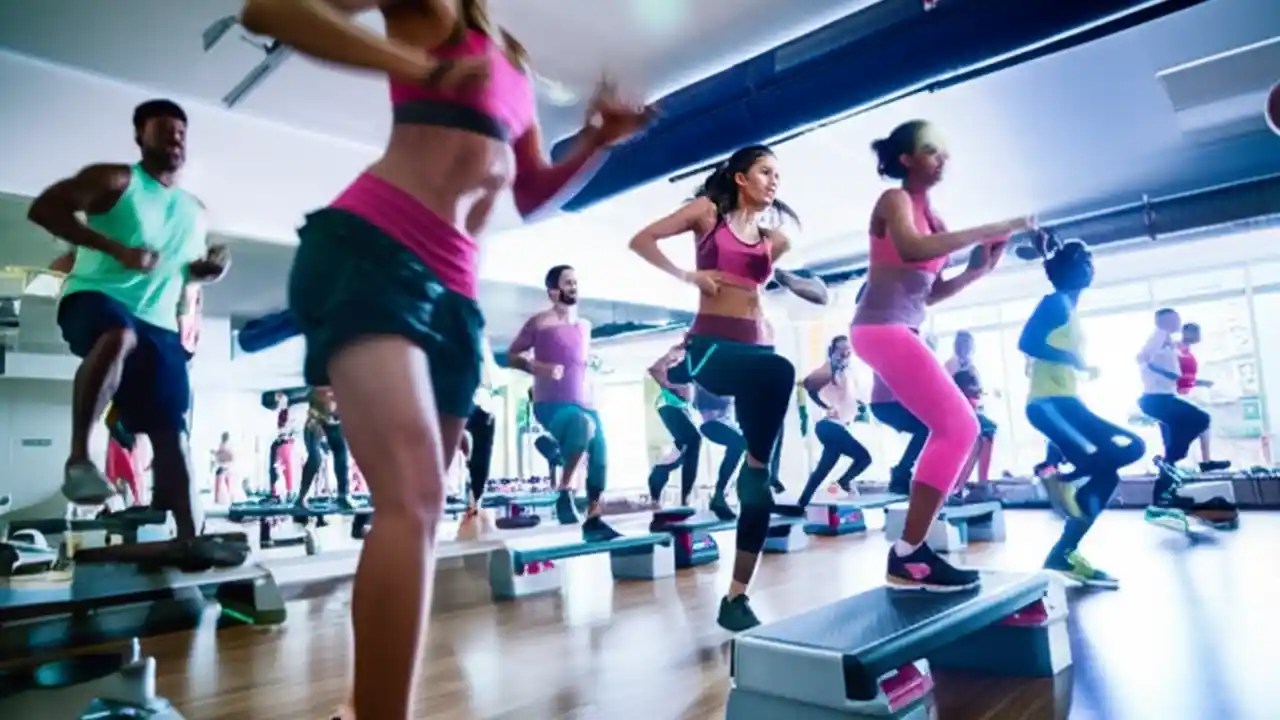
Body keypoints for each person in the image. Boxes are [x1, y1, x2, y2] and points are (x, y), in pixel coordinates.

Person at [238, 1, 650, 715]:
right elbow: (271, 9)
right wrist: (417, 65)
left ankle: (362, 706)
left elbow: (530, 190)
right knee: (414, 497)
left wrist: (596, 138)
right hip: (373, 249)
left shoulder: (512, 59)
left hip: (454, 293)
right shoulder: (432, 11)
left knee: (421, 511)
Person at [27, 99, 229, 542]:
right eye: (164, 129)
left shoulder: (194, 211)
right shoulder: (118, 180)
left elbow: (185, 269)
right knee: (120, 334)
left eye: (181, 130)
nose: (175, 137)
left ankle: (191, 539)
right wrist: (113, 248)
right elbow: (44, 208)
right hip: (93, 300)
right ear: (140, 136)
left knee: (172, 432)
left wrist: (208, 272)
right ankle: (80, 460)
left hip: (159, 326)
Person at [850, 119, 1031, 592]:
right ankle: (909, 553)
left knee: (957, 428)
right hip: (878, 327)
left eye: (944, 151)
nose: (942, 158)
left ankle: (912, 551)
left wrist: (979, 270)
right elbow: (910, 250)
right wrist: (990, 228)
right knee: (960, 426)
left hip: (902, 326)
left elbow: (927, 295)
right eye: (932, 150)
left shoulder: (936, 220)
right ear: (907, 159)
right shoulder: (894, 201)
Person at [629, 143, 799, 631]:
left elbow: (763, 287)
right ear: (741, 177)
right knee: (782, 372)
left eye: (778, 176)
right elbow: (642, 240)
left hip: (757, 352)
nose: (774, 182)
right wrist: (688, 274)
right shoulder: (708, 214)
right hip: (711, 348)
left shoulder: (774, 240)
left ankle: (736, 598)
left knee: (759, 494)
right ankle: (752, 458)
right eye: (766, 172)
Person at [1020, 237, 1142, 587]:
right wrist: (1072, 359)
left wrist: (1082, 366)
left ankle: (1064, 548)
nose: (1090, 266)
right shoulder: (1055, 302)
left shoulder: (1069, 309)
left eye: (1091, 260)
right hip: (1048, 404)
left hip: (1068, 403)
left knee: (1126, 454)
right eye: (1083, 261)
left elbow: (1052, 348)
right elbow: (1027, 342)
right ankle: (1059, 484)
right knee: (1102, 465)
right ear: (1068, 270)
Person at [508, 265, 621, 540]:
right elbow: (512, 355)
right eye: (568, 282)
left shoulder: (585, 326)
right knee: (581, 425)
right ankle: (564, 491)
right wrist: (540, 368)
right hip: (550, 405)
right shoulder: (539, 323)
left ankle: (593, 518)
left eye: (575, 282)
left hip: (584, 402)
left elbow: (580, 365)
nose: (574, 287)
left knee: (601, 452)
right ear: (553, 291)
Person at [1137, 308, 1212, 502]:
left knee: (1174, 442)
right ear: (1166, 320)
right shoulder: (1159, 336)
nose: (1179, 321)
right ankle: (1173, 457)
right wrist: (1163, 372)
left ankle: (1164, 493)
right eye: (1175, 318)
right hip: (1156, 399)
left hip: (1164, 397)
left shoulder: (1167, 339)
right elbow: (1141, 357)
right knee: (1201, 419)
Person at [797, 336, 871, 505]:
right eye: (841, 350)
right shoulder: (830, 368)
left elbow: (848, 396)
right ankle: (841, 483)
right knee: (864, 458)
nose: (845, 353)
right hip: (829, 426)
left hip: (834, 427)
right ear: (833, 352)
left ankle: (803, 502)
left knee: (823, 468)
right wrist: (825, 406)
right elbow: (808, 384)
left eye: (848, 350)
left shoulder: (846, 371)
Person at [646, 342, 701, 508]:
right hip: (668, 405)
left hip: (678, 407)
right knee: (694, 440)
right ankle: (685, 497)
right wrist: (671, 386)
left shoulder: (693, 362)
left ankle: (658, 480)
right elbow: (654, 369)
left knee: (684, 450)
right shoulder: (677, 355)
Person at [945, 330, 999, 496]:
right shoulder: (951, 365)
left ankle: (979, 482)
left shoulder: (972, 368)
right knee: (980, 438)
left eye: (968, 344)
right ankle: (958, 485)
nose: (965, 347)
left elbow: (978, 391)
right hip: (958, 411)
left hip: (973, 409)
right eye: (962, 344)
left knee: (985, 438)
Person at [459, 336, 502, 536]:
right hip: (455, 401)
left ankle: (475, 500)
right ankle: (474, 500)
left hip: (474, 402)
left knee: (484, 428)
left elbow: (490, 376)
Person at [1177, 322, 1229, 472]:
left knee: (1204, 424)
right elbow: (1176, 375)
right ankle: (1179, 460)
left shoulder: (1187, 351)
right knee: (1198, 423)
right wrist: (1197, 382)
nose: (1199, 337)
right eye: (1196, 333)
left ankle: (1206, 460)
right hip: (1177, 394)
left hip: (1186, 392)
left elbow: (1186, 376)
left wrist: (1198, 382)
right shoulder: (1177, 350)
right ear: (1187, 333)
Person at [298, 386, 352, 508]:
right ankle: (301, 497)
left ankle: (343, 496)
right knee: (315, 459)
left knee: (342, 454)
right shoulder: (320, 393)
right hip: (316, 420)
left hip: (333, 422)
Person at [268, 392, 297, 500]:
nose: (278, 403)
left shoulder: (288, 413)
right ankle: (277, 491)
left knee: (284, 467)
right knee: (278, 467)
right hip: (282, 441)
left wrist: (285, 433)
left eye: (279, 400)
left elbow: (289, 427)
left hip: (285, 442)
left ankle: (287, 491)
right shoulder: (282, 413)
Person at [213, 431, 235, 505]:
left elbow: (230, 457)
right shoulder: (223, 445)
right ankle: (217, 498)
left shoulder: (226, 446)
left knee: (225, 483)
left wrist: (219, 454)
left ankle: (219, 498)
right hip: (223, 467)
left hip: (225, 467)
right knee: (222, 483)